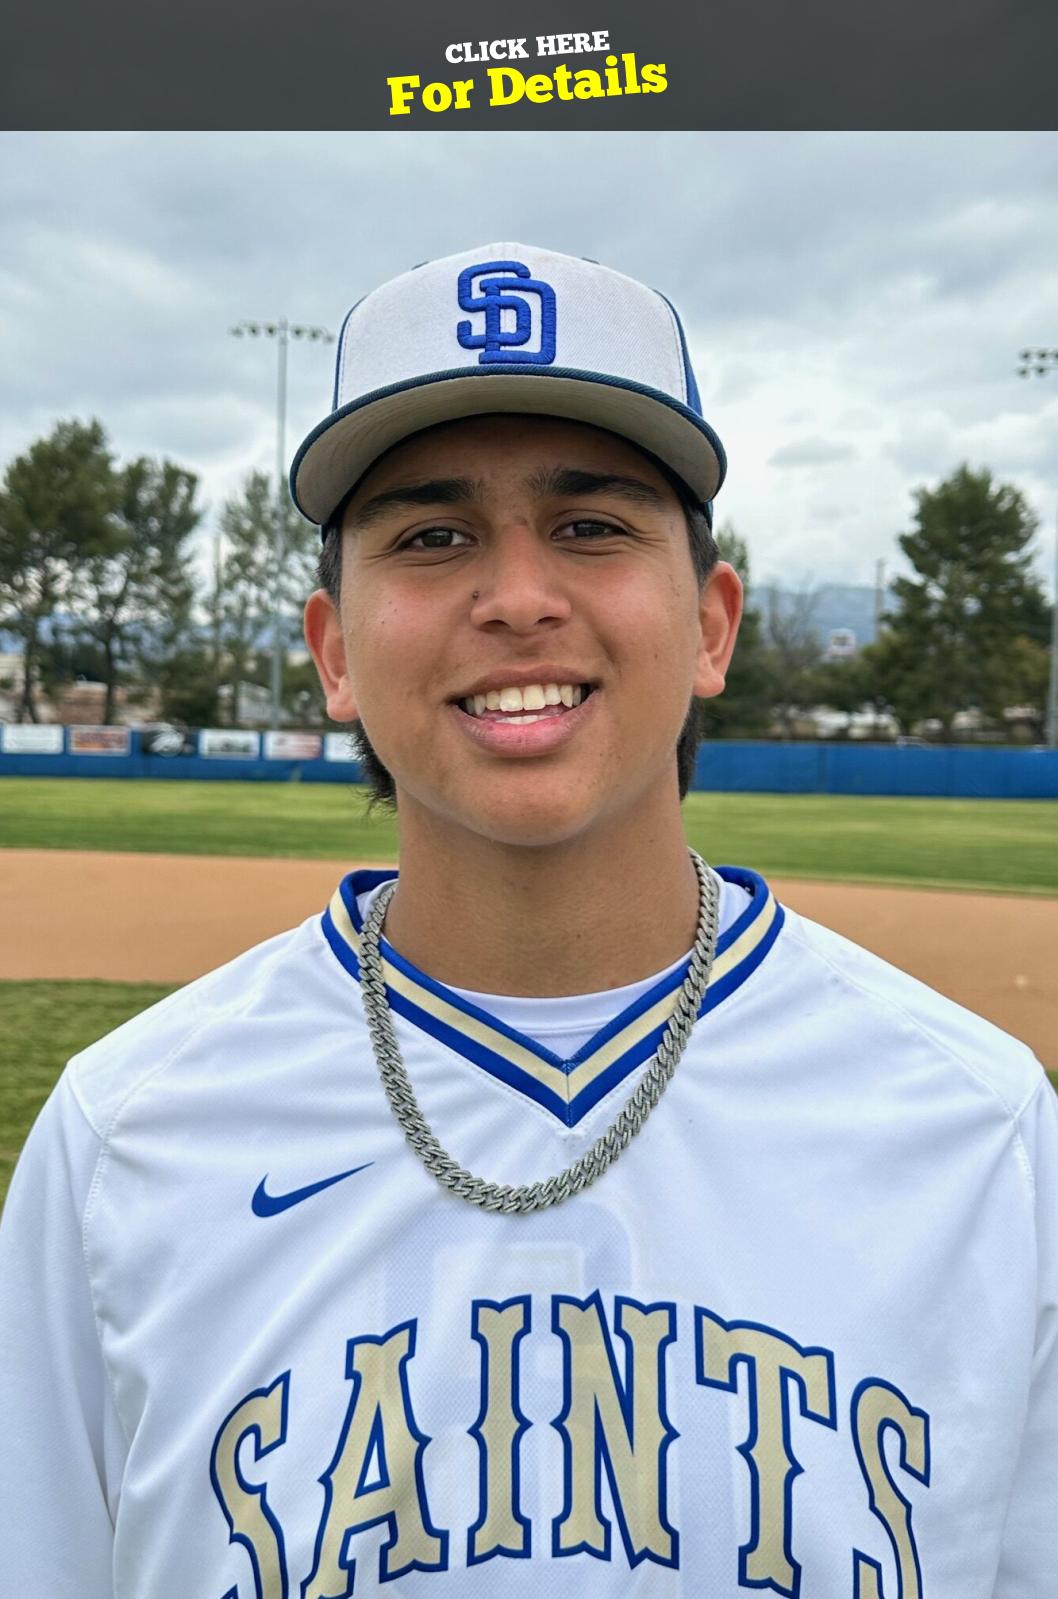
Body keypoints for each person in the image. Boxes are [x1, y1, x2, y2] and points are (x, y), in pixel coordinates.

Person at [0, 242, 1054, 1598]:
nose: (515, 596)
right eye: (431, 536)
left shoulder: (979, 1130)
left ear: (713, 623)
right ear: (331, 648)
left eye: (592, 526)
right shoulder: (126, 1137)